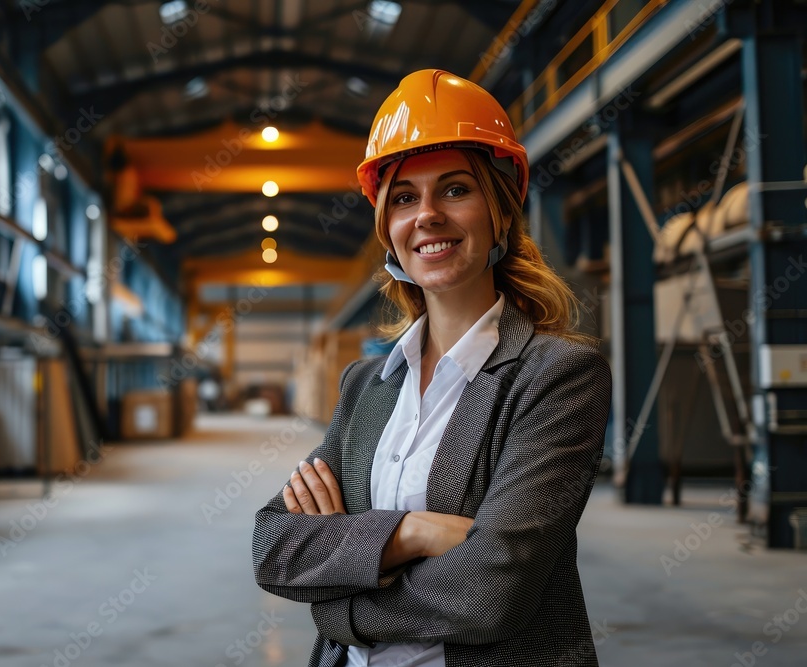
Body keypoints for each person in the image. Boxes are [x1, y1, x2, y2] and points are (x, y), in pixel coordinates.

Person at [252, 69, 612, 667]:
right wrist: (414, 533)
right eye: (403, 198)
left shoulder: (556, 376)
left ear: (499, 213)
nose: (427, 215)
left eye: (455, 190)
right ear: (388, 232)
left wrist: (342, 606)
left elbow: (490, 592)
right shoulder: (367, 386)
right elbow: (273, 546)